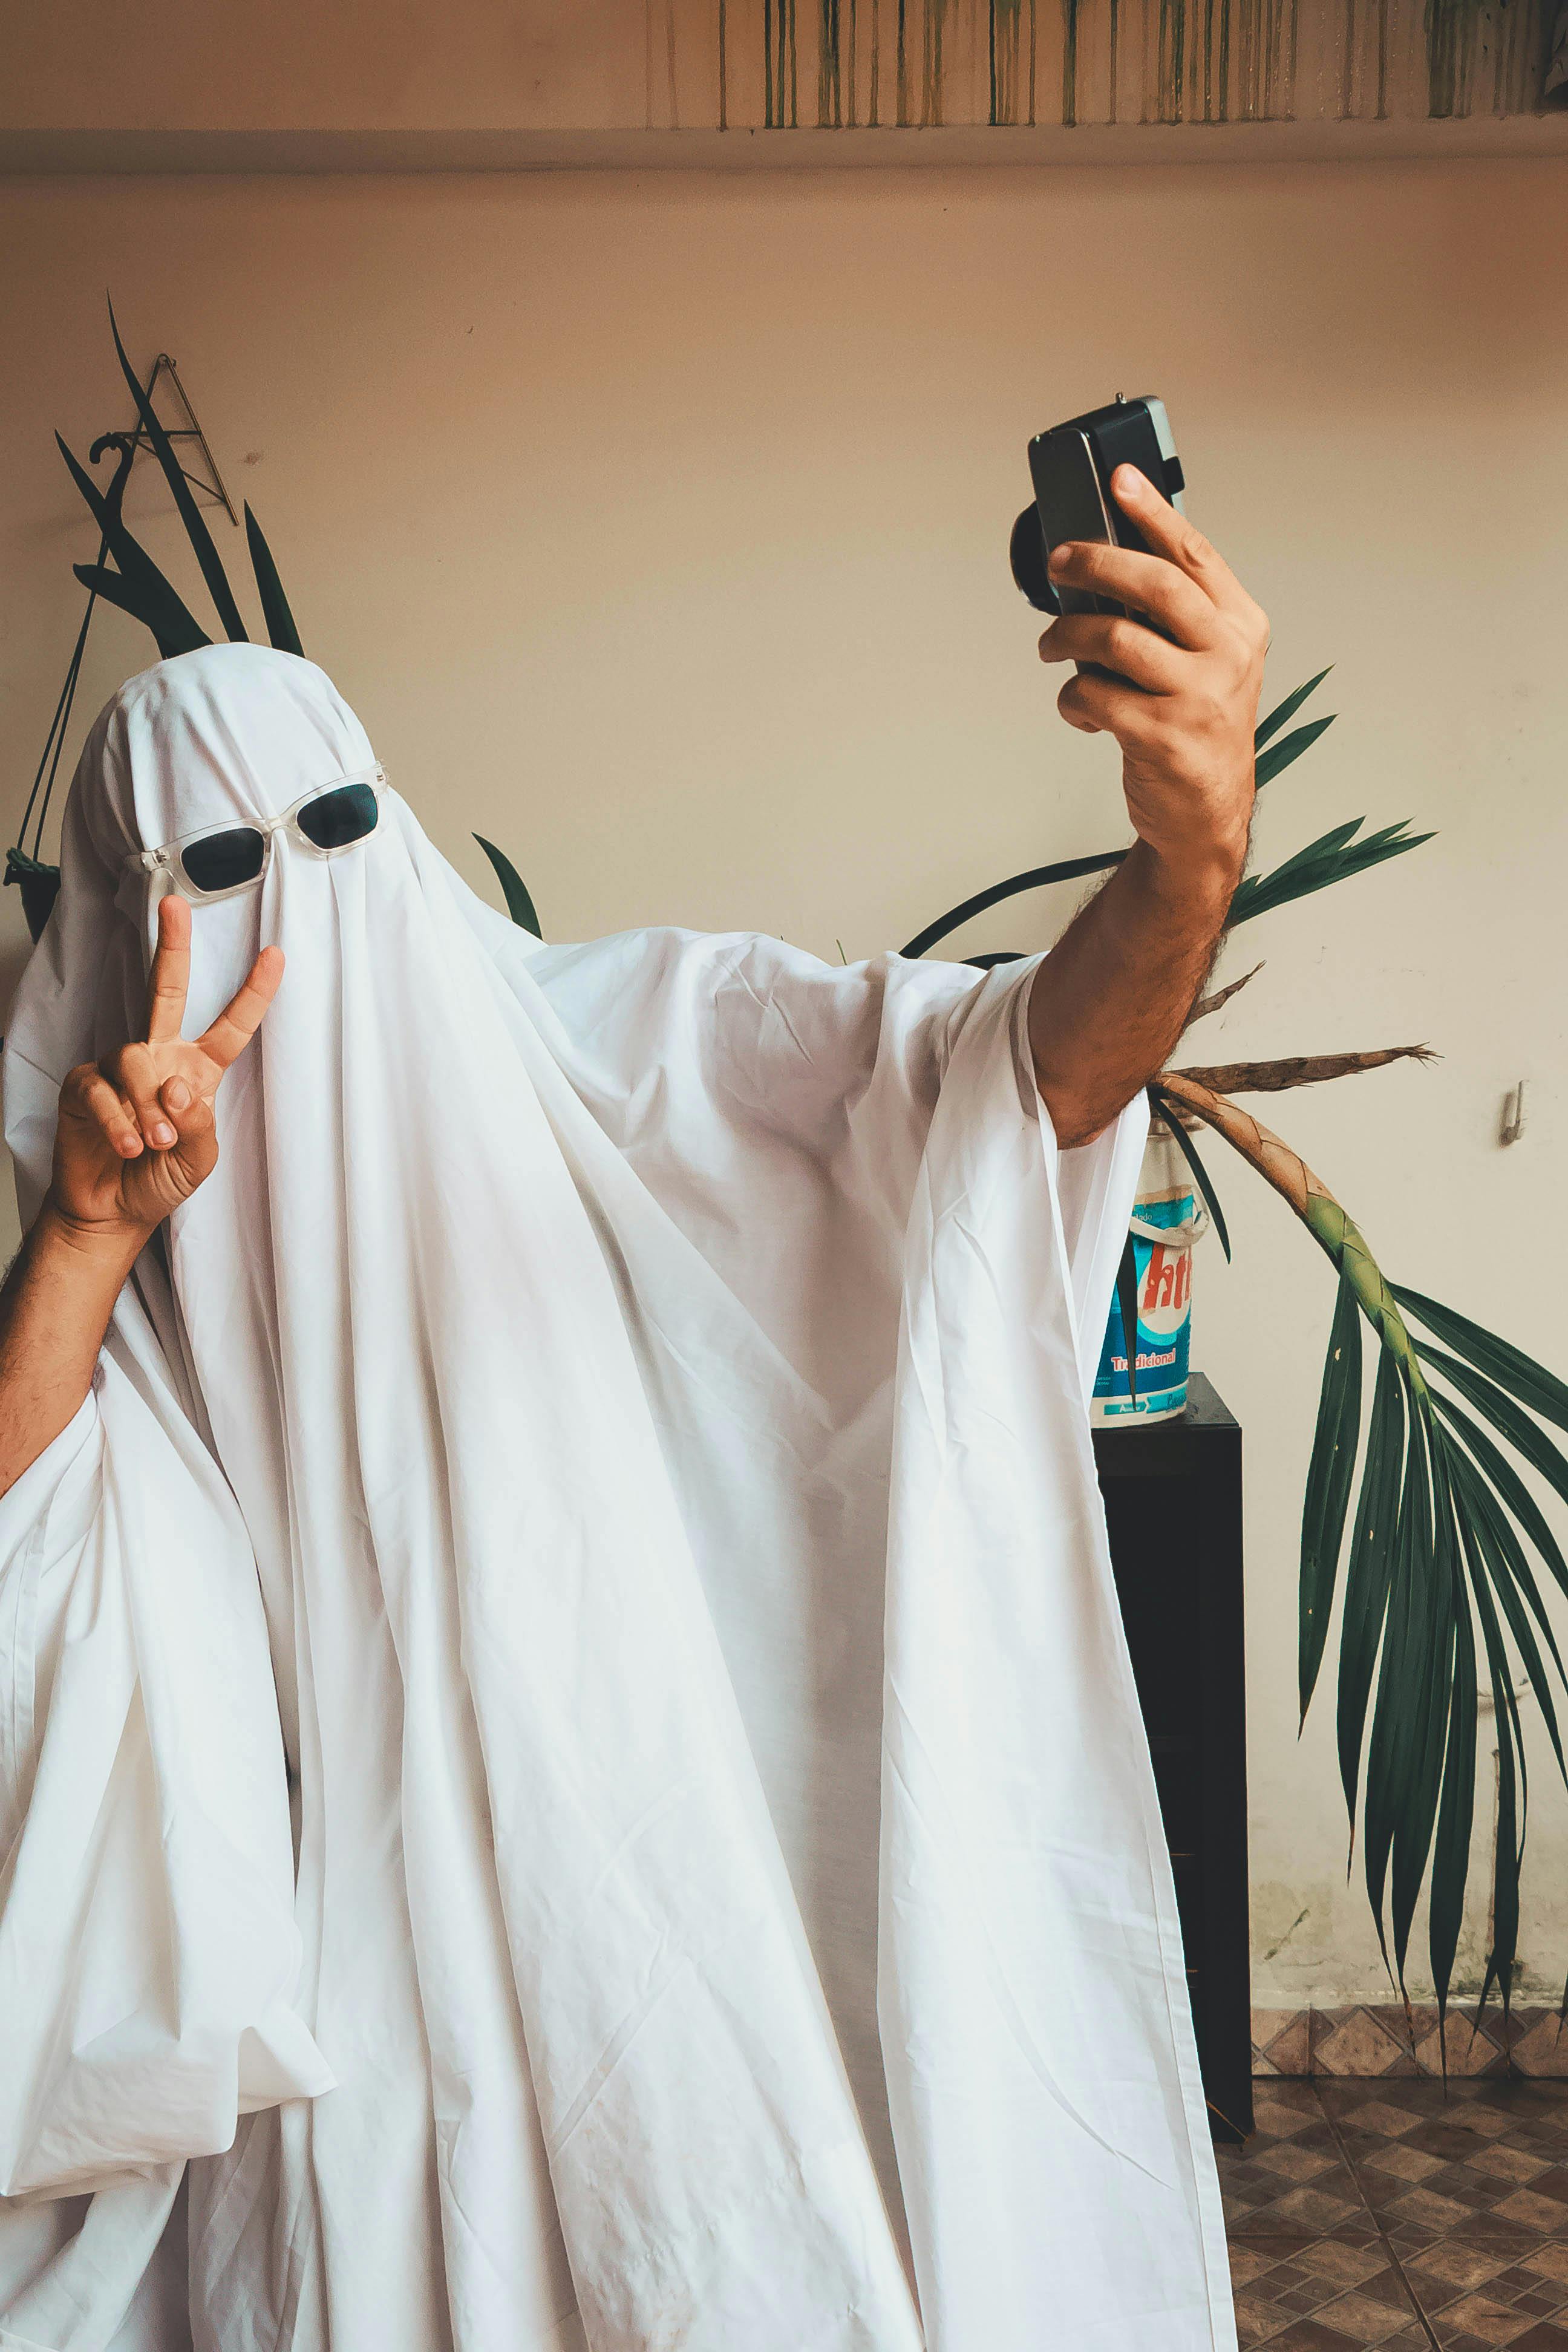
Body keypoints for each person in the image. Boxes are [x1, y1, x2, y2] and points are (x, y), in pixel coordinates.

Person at [0, 466, 1264, 2352]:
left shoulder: (619, 1055)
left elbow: (1004, 1085)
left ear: (394, 836)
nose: (285, 943)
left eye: (328, 836)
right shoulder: (89, 1234)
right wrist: (96, 1234)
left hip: (655, 2007)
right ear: (117, 934)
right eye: (208, 883)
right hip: (296, 2103)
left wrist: (1190, 864)